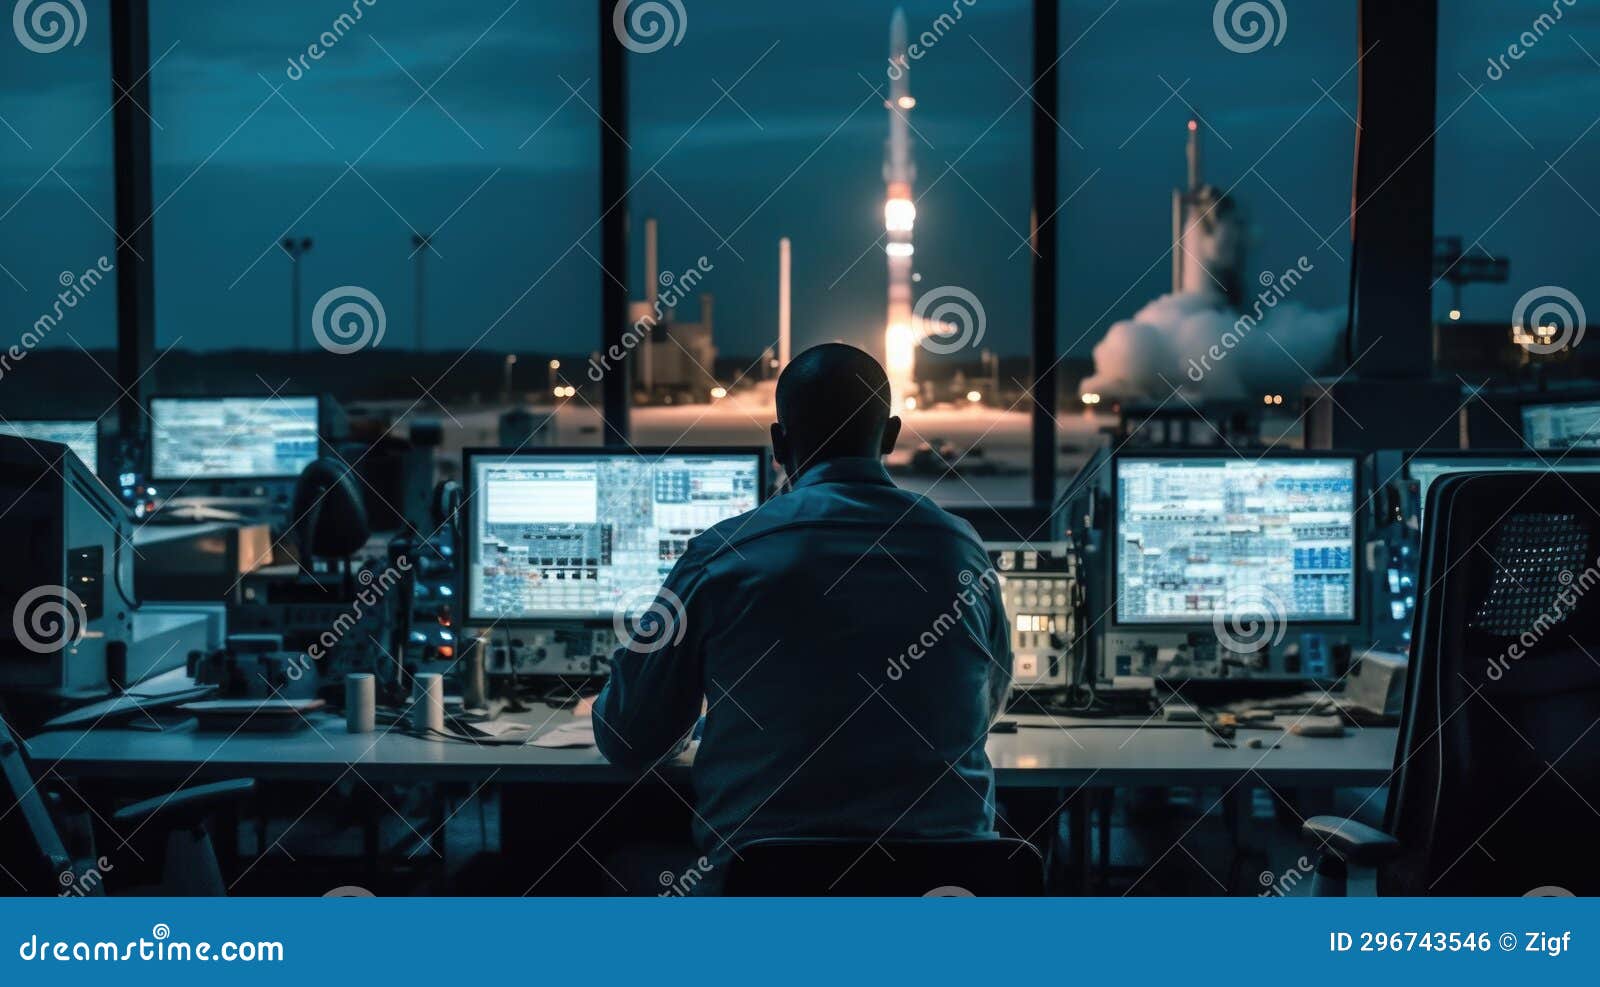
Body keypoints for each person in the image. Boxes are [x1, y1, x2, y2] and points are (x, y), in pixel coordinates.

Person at [593, 343, 1012, 877]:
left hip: (765, 889)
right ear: (890, 436)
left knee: (612, 864)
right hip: (945, 887)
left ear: (778, 442)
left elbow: (628, 739)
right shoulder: (961, 548)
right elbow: (988, 699)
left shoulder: (722, 555)